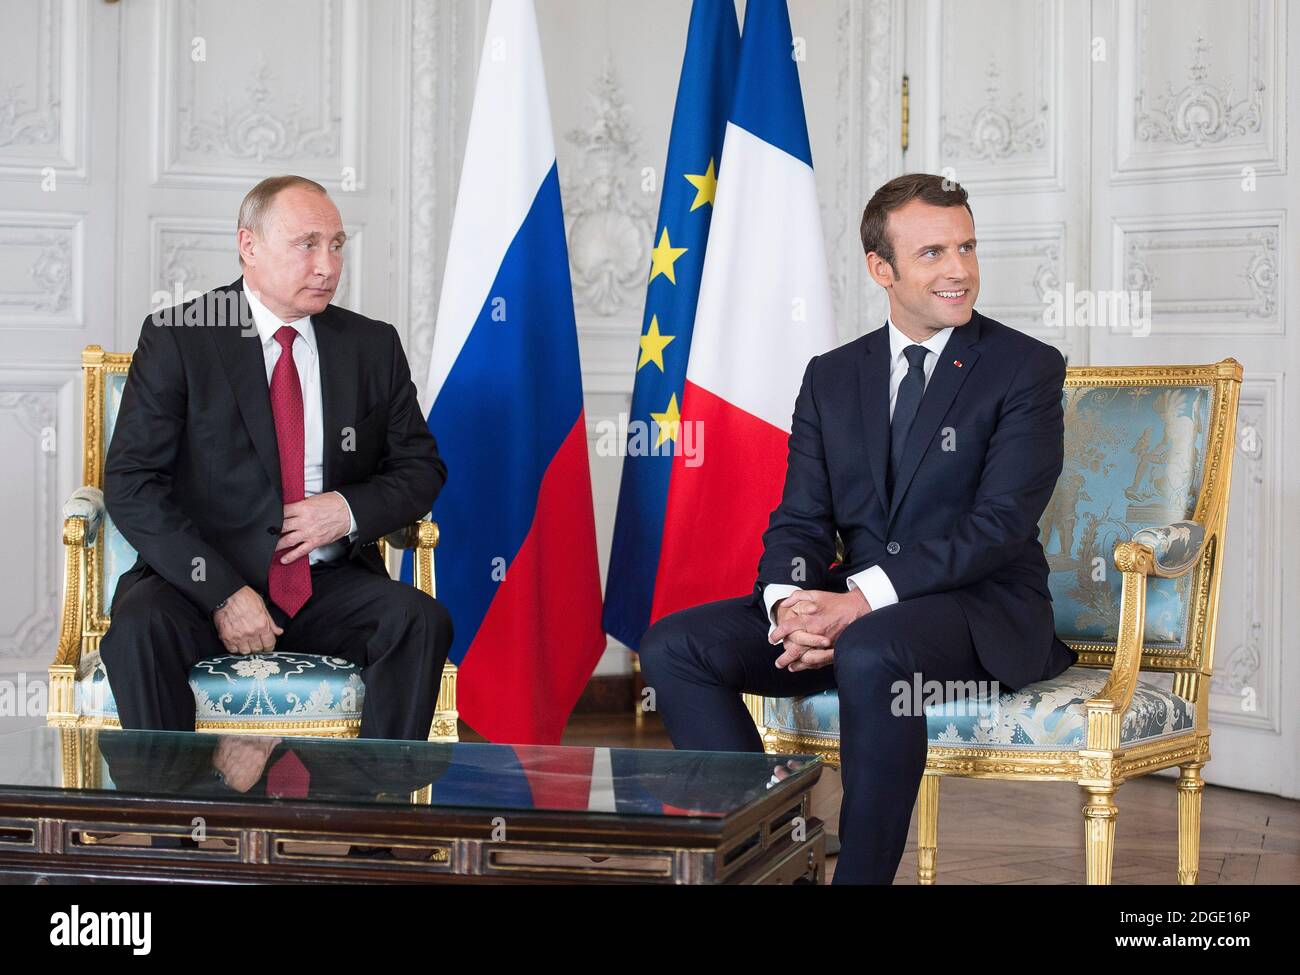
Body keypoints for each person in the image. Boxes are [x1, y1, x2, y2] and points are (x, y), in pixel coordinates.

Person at [638, 173, 1077, 883]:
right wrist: (790, 606)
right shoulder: (833, 376)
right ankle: (773, 856)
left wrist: (858, 602)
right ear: (882, 269)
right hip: (860, 609)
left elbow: (998, 527)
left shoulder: (1024, 367)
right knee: (675, 646)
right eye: (933, 252)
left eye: (967, 246)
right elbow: (801, 518)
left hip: (980, 611)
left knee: (872, 647)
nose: (959, 269)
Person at [100, 175, 451, 742]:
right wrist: (220, 591)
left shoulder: (371, 345)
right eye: (307, 244)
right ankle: (168, 821)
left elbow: (421, 468)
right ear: (249, 244)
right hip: (200, 580)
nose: (327, 265)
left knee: (418, 620)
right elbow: (132, 483)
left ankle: (373, 819)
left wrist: (347, 509)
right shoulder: (179, 336)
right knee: (138, 630)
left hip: (323, 582)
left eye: (337, 245)